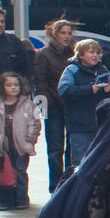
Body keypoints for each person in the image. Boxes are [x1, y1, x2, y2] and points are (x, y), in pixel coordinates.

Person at [57, 39, 110, 169]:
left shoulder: (102, 69)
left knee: (101, 163)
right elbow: (64, 90)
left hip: (100, 125)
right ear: (80, 55)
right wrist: (89, 89)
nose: (95, 55)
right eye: (91, 52)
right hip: (80, 125)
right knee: (80, 164)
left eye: (97, 52)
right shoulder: (72, 70)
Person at [33, 18, 75, 193]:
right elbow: (40, 81)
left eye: (69, 33)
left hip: (73, 106)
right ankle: (56, 185)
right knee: (55, 149)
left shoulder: (74, 53)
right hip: (54, 106)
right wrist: (46, 105)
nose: (66, 36)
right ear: (54, 34)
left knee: (72, 148)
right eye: (62, 33)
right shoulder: (44, 54)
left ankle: (69, 183)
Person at [0, 72, 40, 211]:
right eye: (9, 85)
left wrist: (29, 140)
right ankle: (5, 200)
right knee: (3, 174)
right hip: (0, 147)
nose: (13, 87)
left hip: (21, 146)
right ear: (2, 87)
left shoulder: (28, 105)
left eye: (16, 85)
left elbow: (35, 123)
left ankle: (21, 199)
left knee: (20, 172)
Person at [0, 6, 32, 83]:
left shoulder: (14, 41)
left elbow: (25, 69)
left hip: (10, 92)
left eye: (2, 21)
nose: (0, 24)